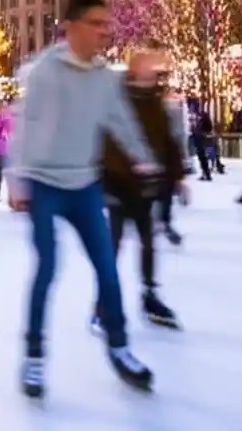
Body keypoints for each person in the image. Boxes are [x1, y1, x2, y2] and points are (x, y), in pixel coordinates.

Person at [8, 0, 160, 398]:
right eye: (95, 24)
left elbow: (121, 120)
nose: (103, 32)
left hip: (85, 184)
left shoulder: (104, 78)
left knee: (107, 269)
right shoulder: (44, 72)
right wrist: (17, 181)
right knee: (47, 268)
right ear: (71, 27)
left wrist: (143, 157)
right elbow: (24, 126)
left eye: (105, 25)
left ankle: (120, 347)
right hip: (44, 184)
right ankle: (35, 358)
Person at [89, 41, 186, 334]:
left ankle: (149, 295)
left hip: (145, 187)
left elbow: (167, 140)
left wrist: (176, 175)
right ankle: (102, 304)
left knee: (148, 242)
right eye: (147, 64)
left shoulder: (155, 100)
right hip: (119, 184)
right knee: (114, 245)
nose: (153, 70)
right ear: (134, 68)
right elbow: (105, 140)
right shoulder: (117, 98)